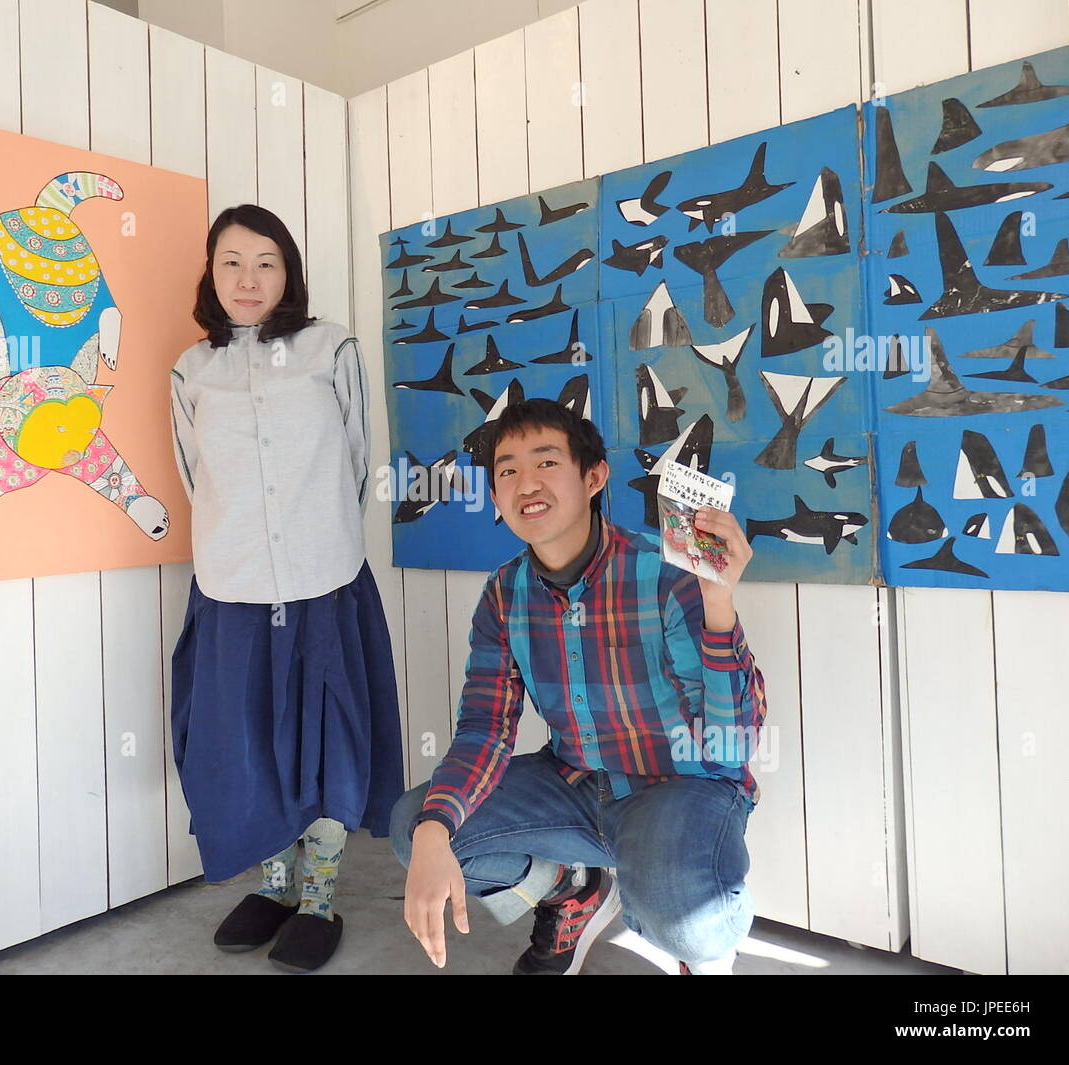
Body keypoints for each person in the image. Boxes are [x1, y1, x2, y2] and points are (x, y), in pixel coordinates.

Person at [390, 398, 767, 975]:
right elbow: (484, 730)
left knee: (687, 922)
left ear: (594, 477)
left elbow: (732, 744)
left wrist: (719, 605)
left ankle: (692, 925)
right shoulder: (503, 593)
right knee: (416, 826)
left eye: (546, 463)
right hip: (574, 784)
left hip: (682, 784)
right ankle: (568, 887)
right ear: (494, 496)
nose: (525, 483)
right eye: (507, 471)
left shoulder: (669, 574)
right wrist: (437, 828)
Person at [169, 203, 403, 973]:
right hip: (232, 589)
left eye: (266, 261)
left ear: (290, 272)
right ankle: (273, 886)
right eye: (231, 260)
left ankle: (319, 898)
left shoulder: (329, 348)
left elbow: (356, 457)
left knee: (329, 744)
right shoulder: (190, 370)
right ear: (211, 271)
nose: (248, 277)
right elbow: (196, 477)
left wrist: (310, 540)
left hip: (322, 581)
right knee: (249, 746)